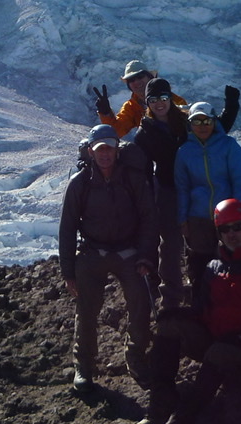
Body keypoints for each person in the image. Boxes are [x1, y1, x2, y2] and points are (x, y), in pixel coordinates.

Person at [140, 199, 241, 424]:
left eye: (237, 227)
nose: (232, 234)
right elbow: (203, 310)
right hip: (218, 342)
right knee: (169, 326)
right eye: (225, 229)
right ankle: (159, 406)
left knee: (217, 352)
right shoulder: (214, 267)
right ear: (218, 233)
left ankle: (183, 417)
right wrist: (181, 315)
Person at [59, 124, 158, 393]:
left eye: (109, 149)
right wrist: (68, 272)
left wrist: (146, 257)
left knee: (139, 304)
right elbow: (67, 228)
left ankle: (135, 357)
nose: (105, 154)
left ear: (117, 150)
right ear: (91, 151)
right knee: (87, 308)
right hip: (92, 251)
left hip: (129, 251)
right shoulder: (79, 184)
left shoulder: (133, 179)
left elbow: (149, 218)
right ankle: (84, 367)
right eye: (99, 149)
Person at [174, 102, 241, 295]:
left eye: (207, 120)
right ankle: (202, 308)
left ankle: (233, 306)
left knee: (231, 262)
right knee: (199, 265)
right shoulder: (184, 151)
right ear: (190, 124)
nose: (202, 125)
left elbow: (239, 184)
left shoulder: (229, 146)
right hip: (197, 218)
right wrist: (183, 219)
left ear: (214, 122)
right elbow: (182, 188)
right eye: (197, 121)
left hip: (228, 217)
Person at [133, 77, 191, 306]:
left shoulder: (186, 123)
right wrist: (148, 204)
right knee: (170, 244)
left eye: (163, 98)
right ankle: (171, 297)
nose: (159, 103)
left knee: (200, 240)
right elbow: (145, 173)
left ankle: (206, 290)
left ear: (170, 98)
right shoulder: (144, 133)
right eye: (154, 99)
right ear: (147, 103)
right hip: (166, 190)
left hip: (192, 188)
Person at [91, 60, 241, 138]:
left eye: (139, 77)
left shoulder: (176, 102)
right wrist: (105, 113)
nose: (136, 82)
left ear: (150, 77)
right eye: (131, 80)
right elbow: (117, 131)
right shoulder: (131, 107)